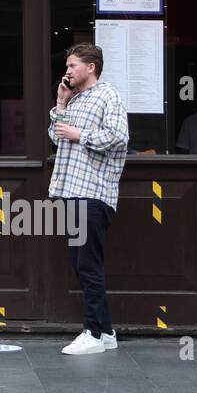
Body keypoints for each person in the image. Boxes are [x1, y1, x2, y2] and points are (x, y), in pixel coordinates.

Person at [48, 44, 129, 356]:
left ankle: (92, 334)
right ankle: (106, 331)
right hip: (71, 189)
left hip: (93, 193)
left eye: (72, 65)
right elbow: (56, 136)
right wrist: (61, 103)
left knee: (88, 265)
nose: (67, 71)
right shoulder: (76, 97)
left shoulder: (108, 95)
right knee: (80, 264)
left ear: (91, 66)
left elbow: (119, 135)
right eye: (67, 66)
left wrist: (80, 135)